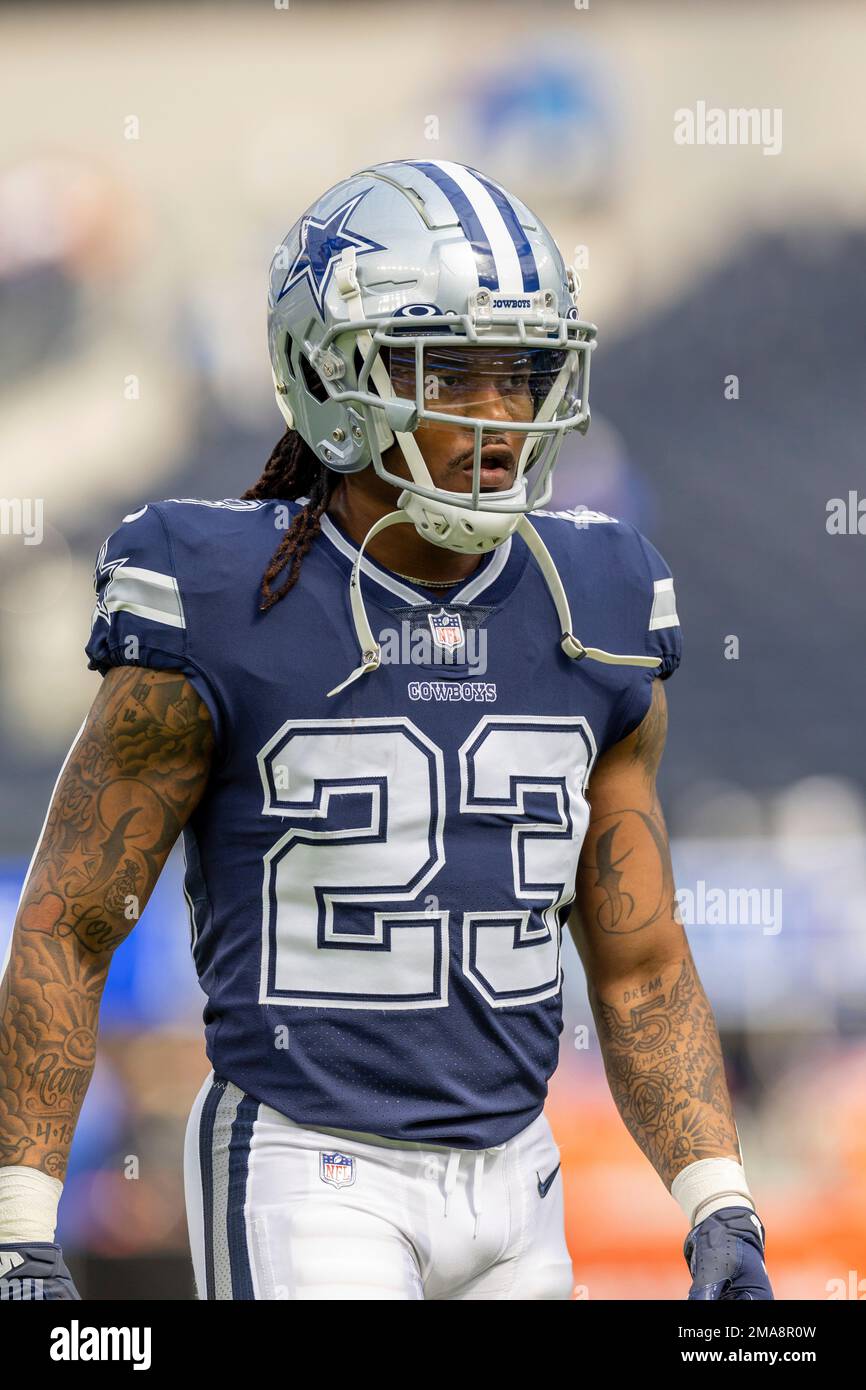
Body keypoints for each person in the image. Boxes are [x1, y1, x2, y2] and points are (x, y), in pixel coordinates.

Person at [0, 159, 770, 1300]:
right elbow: (70, 924)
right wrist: (20, 1223)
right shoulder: (219, 595)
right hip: (310, 1169)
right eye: (449, 370)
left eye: (522, 372)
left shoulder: (595, 601)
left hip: (521, 1176)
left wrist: (718, 1199)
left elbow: (639, 957)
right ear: (328, 374)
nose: (497, 414)